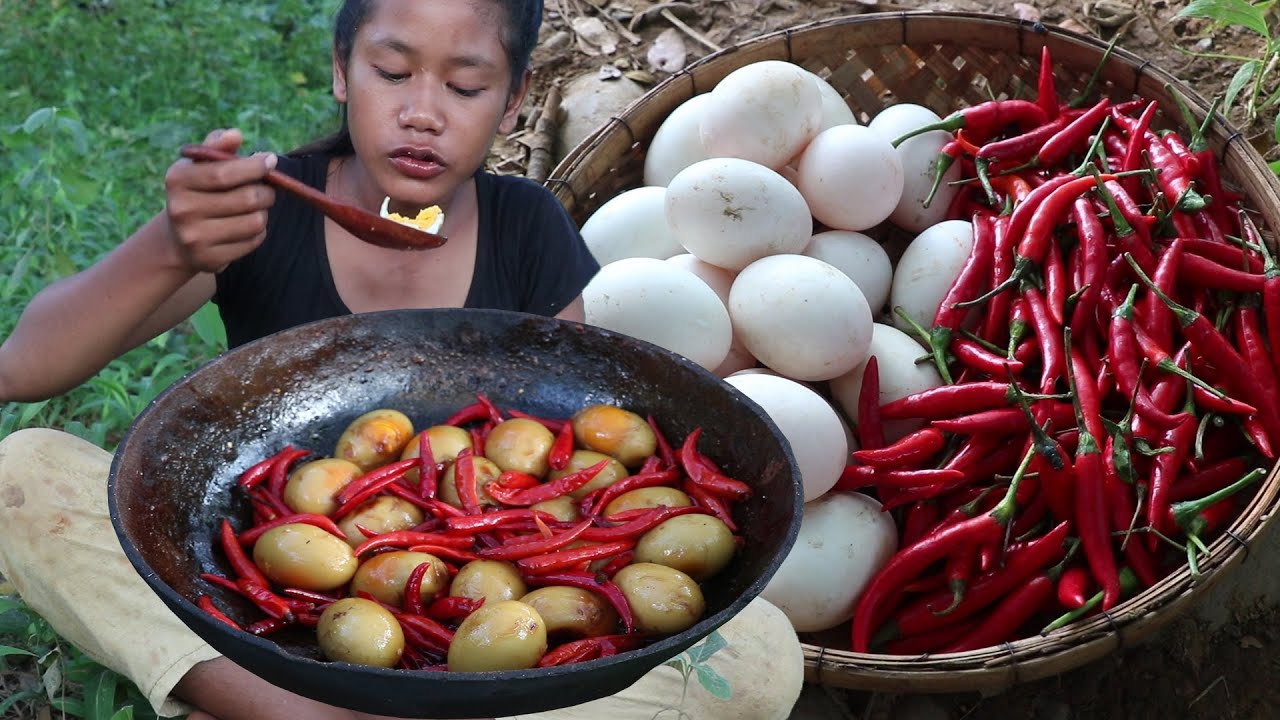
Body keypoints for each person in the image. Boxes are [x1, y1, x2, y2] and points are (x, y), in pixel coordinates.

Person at [0, 1, 805, 719]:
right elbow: (25, 369)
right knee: (21, 471)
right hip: (270, 643)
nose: (423, 113)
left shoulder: (527, 226)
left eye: (465, 86)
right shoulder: (265, 213)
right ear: (341, 71)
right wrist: (170, 248)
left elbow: (567, 422)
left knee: (763, 652)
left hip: (479, 650)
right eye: (391, 71)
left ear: (513, 98)